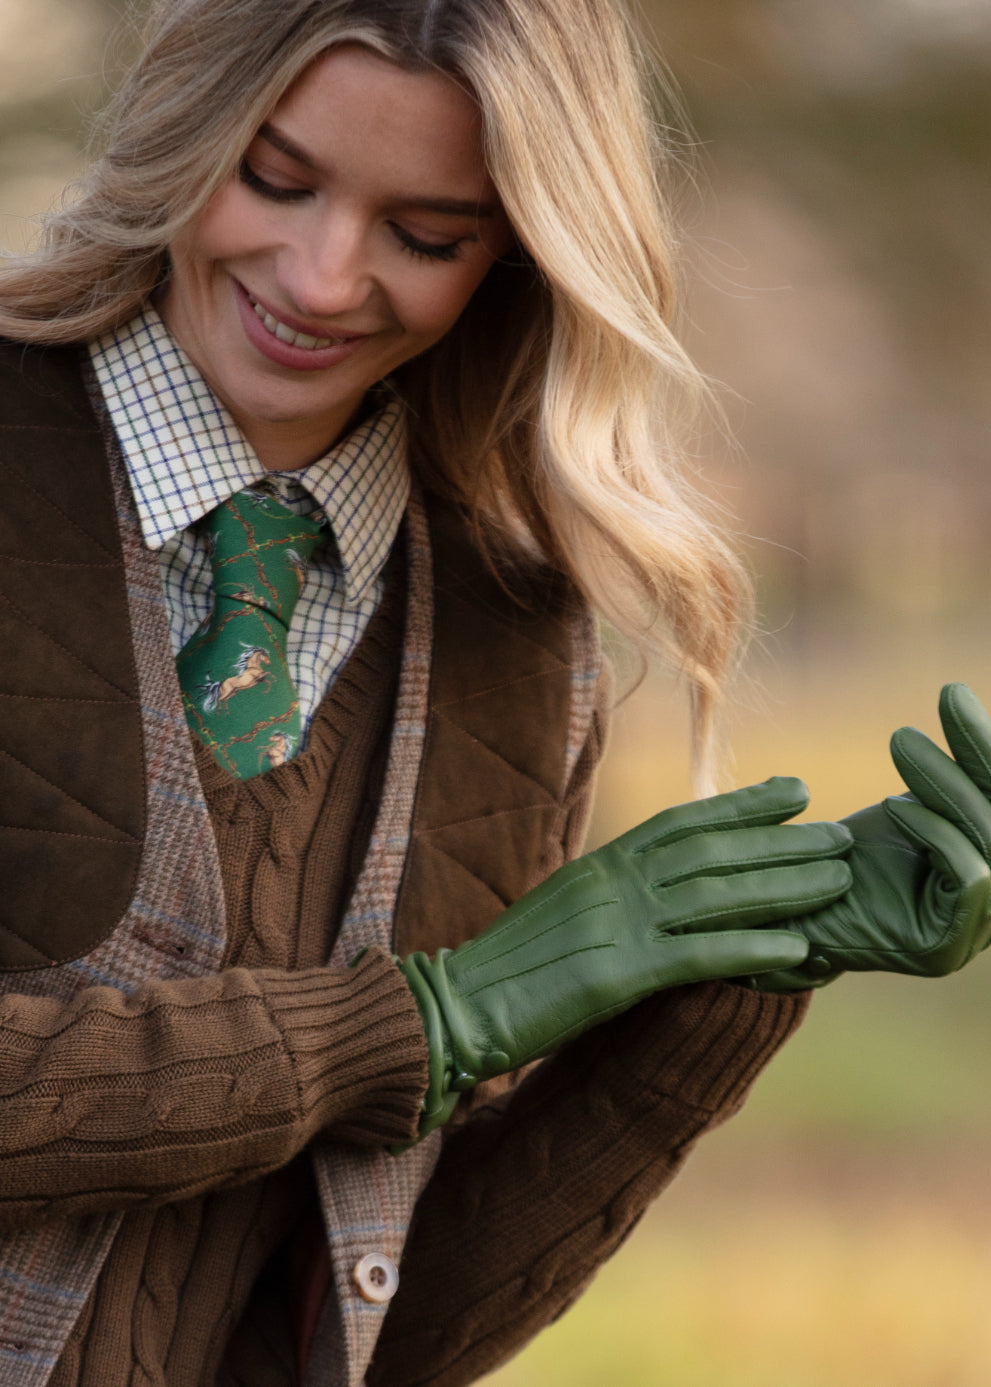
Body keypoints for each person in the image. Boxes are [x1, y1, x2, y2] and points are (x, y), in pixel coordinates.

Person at [0, 2, 990, 1385]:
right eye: (276, 179)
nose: (323, 273)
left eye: (426, 236)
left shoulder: (515, 639)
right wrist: (431, 1021)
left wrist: (751, 965)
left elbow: (392, 1320)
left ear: (519, 256)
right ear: (183, 134)